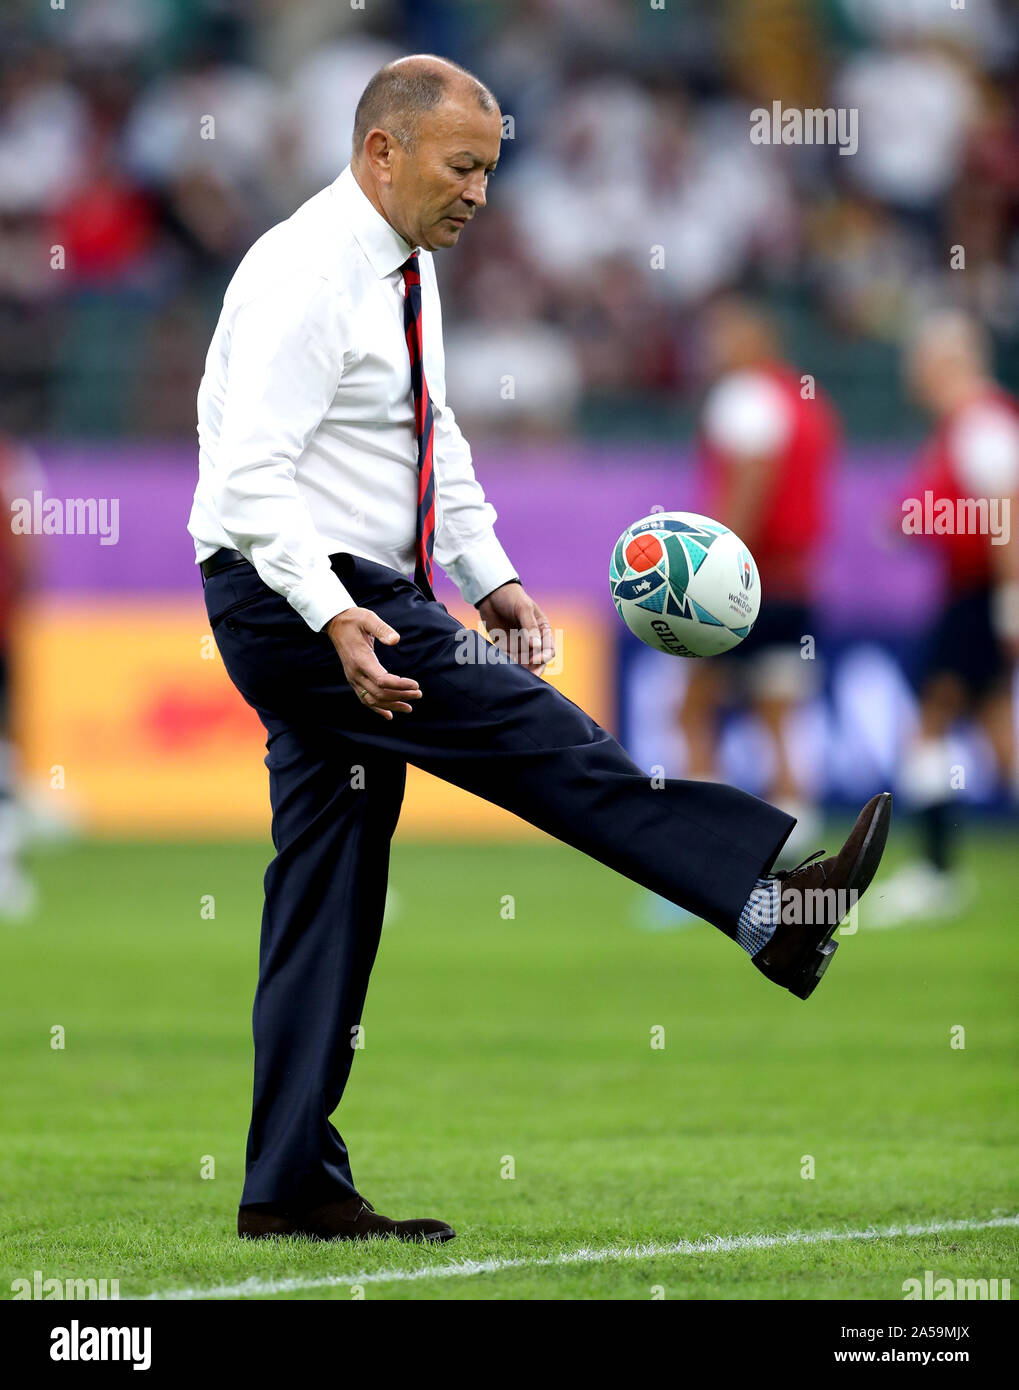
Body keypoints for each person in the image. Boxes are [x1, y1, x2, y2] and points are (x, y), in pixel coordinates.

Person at [187, 55, 892, 1245]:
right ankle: (770, 900)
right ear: (382, 152)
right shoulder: (302, 273)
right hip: (300, 594)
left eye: (490, 171)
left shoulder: (405, 270)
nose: (478, 193)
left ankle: (288, 1180)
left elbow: (432, 438)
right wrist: (331, 615)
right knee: (541, 742)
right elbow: (249, 480)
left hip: (350, 593)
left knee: (327, 883)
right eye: (462, 166)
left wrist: (493, 577)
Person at [679, 297, 839, 862]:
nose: (714, 349)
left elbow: (748, 486)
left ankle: (703, 846)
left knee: (694, 709)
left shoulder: (744, 397)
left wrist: (709, 570)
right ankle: (803, 845)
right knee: (777, 716)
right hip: (794, 582)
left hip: (742, 583)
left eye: (725, 335)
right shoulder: (806, 402)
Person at [871, 311, 1019, 927]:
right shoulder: (966, 424)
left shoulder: (981, 421)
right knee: (994, 731)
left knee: (929, 721)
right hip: (976, 590)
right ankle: (935, 872)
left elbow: (1005, 513)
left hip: (982, 593)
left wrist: (1010, 601)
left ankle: (935, 871)